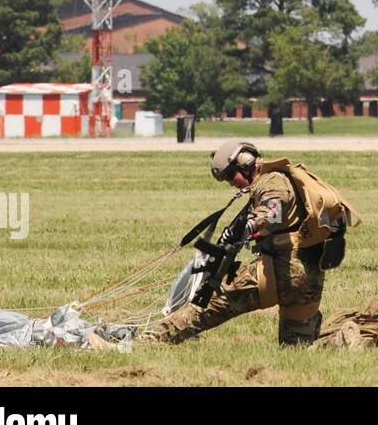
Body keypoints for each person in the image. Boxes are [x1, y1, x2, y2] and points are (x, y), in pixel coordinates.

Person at [139, 140, 353, 346]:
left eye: (232, 175)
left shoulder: (271, 181)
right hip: (310, 278)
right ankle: (359, 337)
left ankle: (144, 343)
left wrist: (250, 225)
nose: (231, 182)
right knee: (298, 349)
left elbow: (273, 210)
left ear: (246, 162)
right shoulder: (284, 178)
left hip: (281, 272)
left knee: (204, 306)